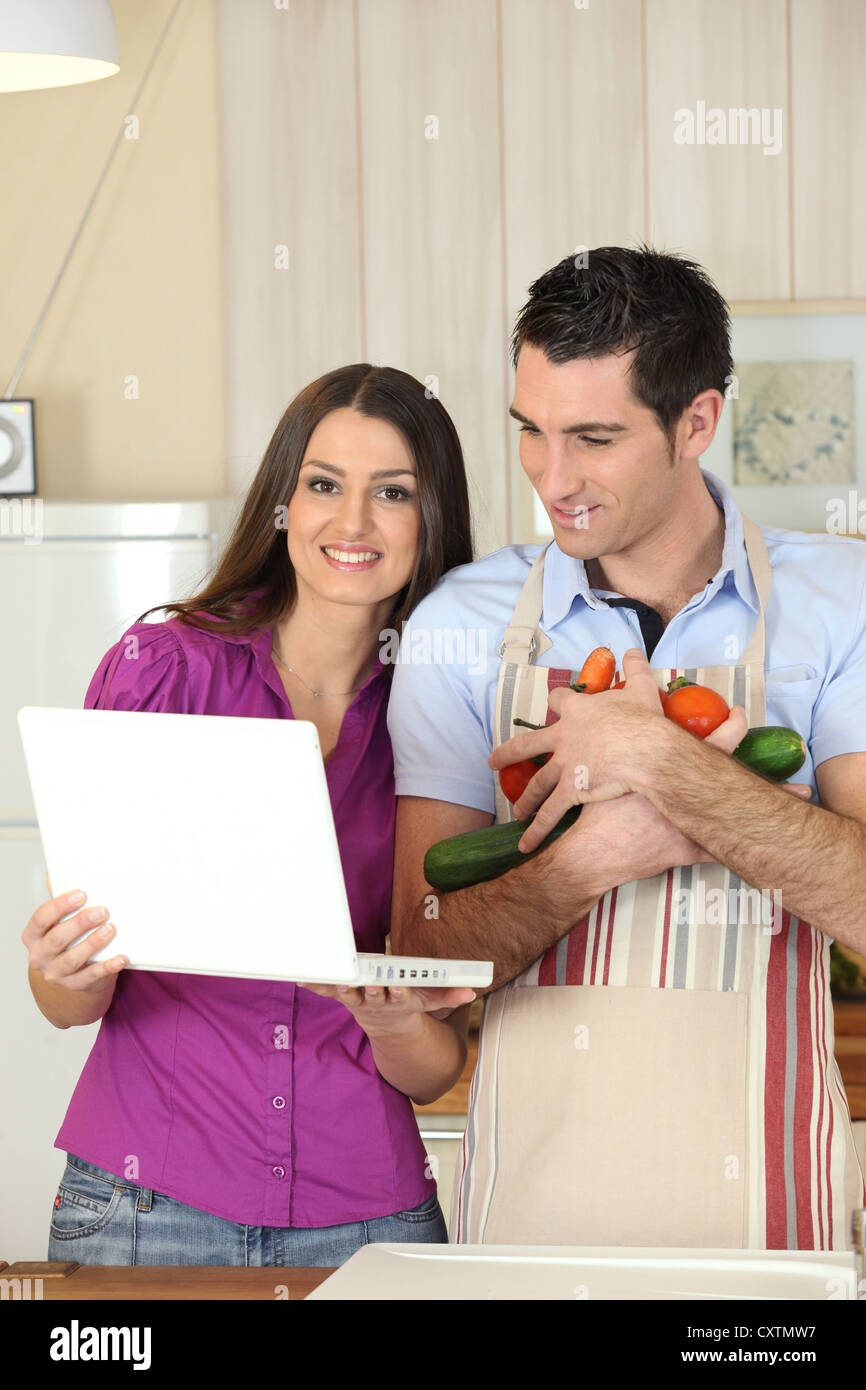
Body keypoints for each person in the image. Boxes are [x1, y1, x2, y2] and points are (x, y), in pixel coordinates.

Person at [388, 246, 866, 1250]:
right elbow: (422, 947)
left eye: (593, 438)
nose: (551, 480)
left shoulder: (842, 602)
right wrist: (605, 851)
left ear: (696, 421)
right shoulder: (463, 619)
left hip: (763, 1214)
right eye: (530, 431)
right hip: (527, 1220)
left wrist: (658, 763)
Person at [22, 363, 476, 1267]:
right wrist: (58, 964)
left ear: (431, 522)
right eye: (322, 485)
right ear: (283, 503)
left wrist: (390, 1017)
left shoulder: (448, 716)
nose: (352, 523)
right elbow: (68, 1002)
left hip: (369, 1223)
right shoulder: (167, 670)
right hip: (143, 1206)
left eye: (393, 492)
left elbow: (435, 1069)